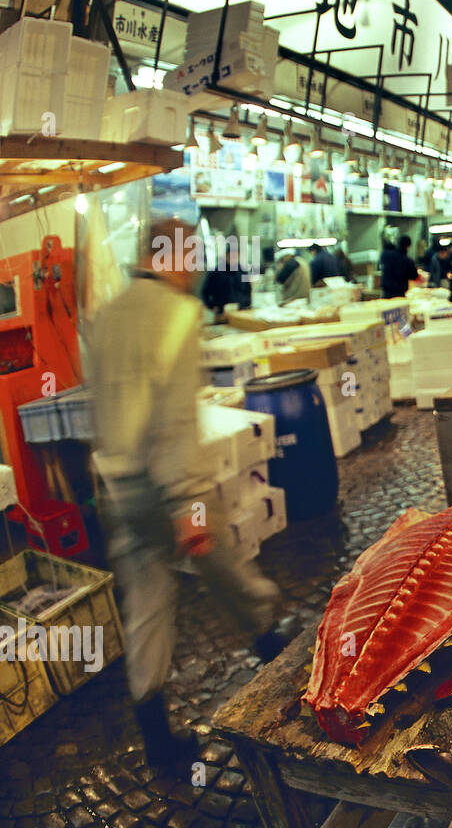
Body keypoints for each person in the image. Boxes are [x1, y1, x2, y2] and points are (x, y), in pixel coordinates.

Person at [84, 218, 296, 774]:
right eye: (193, 256)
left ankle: (154, 730)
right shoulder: (177, 315)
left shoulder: (104, 318)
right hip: (178, 488)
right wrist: (186, 507)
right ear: (174, 256)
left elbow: (103, 413)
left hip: (121, 488)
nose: (197, 268)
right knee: (226, 567)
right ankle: (272, 640)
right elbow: (176, 418)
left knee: (148, 603)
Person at [200, 236, 251, 315]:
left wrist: (245, 304)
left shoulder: (243, 272)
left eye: (236, 256)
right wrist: (212, 306)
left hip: (240, 312)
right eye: (231, 255)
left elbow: (248, 291)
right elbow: (205, 292)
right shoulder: (215, 272)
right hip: (222, 313)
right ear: (226, 255)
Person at [378, 235, 420, 300]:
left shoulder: (385, 255)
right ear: (408, 246)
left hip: (386, 293)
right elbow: (414, 276)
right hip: (399, 294)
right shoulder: (407, 260)